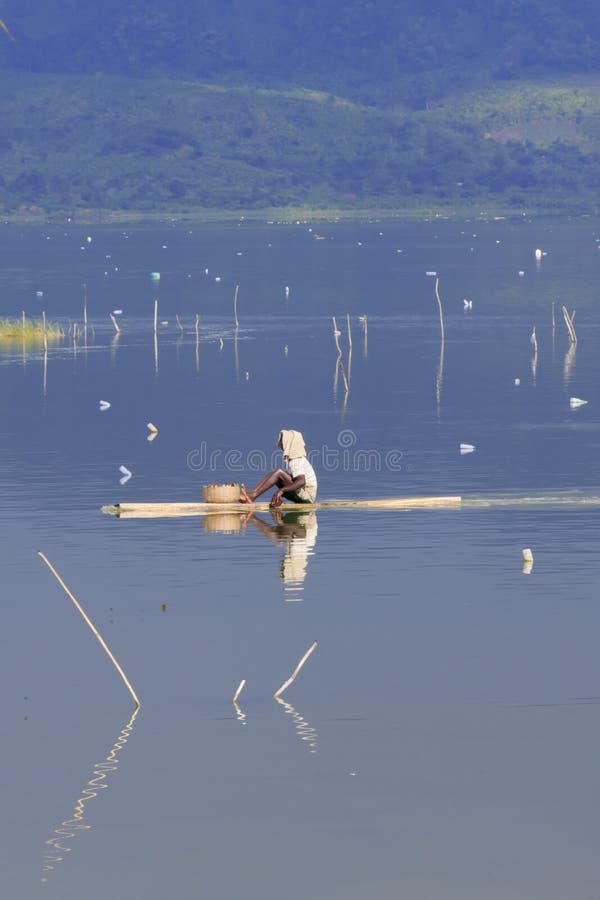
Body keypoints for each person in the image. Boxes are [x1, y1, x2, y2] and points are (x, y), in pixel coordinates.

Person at [239, 429, 318, 506]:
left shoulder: (297, 459)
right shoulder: (295, 458)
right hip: (303, 494)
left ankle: (252, 496)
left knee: (279, 473)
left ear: (289, 443)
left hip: (307, 497)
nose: (282, 445)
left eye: (284, 442)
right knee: (275, 474)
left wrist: (282, 490)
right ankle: (251, 493)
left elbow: (301, 482)